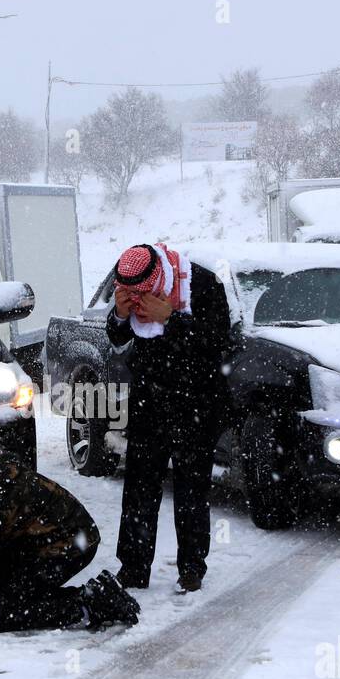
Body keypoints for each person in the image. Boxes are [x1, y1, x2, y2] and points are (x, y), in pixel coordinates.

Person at [107, 243, 231, 592]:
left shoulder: (201, 283)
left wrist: (170, 318)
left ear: (158, 274)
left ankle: (192, 568)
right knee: (139, 489)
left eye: (140, 292)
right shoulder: (131, 288)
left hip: (198, 404)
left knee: (192, 491)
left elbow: (217, 340)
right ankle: (133, 567)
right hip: (150, 402)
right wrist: (118, 314)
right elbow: (117, 336)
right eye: (128, 292)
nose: (137, 298)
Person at [0, 443, 139, 632]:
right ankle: (65, 596)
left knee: (3, 615)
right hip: (47, 539)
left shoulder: (3, 494)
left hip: (71, 545)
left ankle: (92, 602)